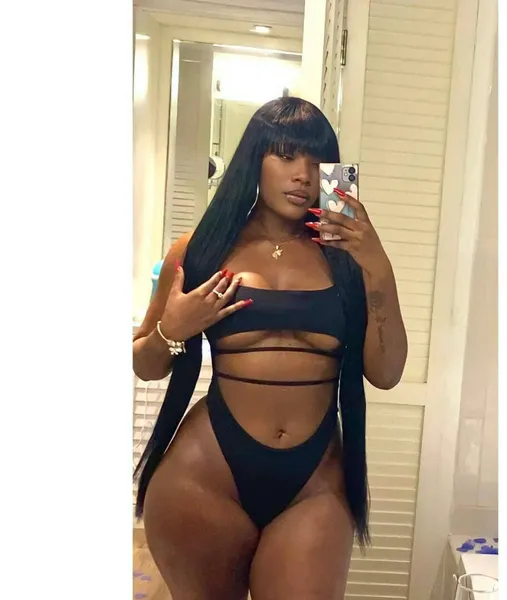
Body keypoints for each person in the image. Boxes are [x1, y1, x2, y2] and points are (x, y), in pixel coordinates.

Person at [133, 97, 407, 600]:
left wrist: (379, 267)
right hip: (205, 474)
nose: (303, 174)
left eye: (317, 161)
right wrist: (174, 329)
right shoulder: (200, 249)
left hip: (315, 482)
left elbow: (386, 374)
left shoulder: (348, 259)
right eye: (285, 155)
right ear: (254, 159)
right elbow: (145, 365)